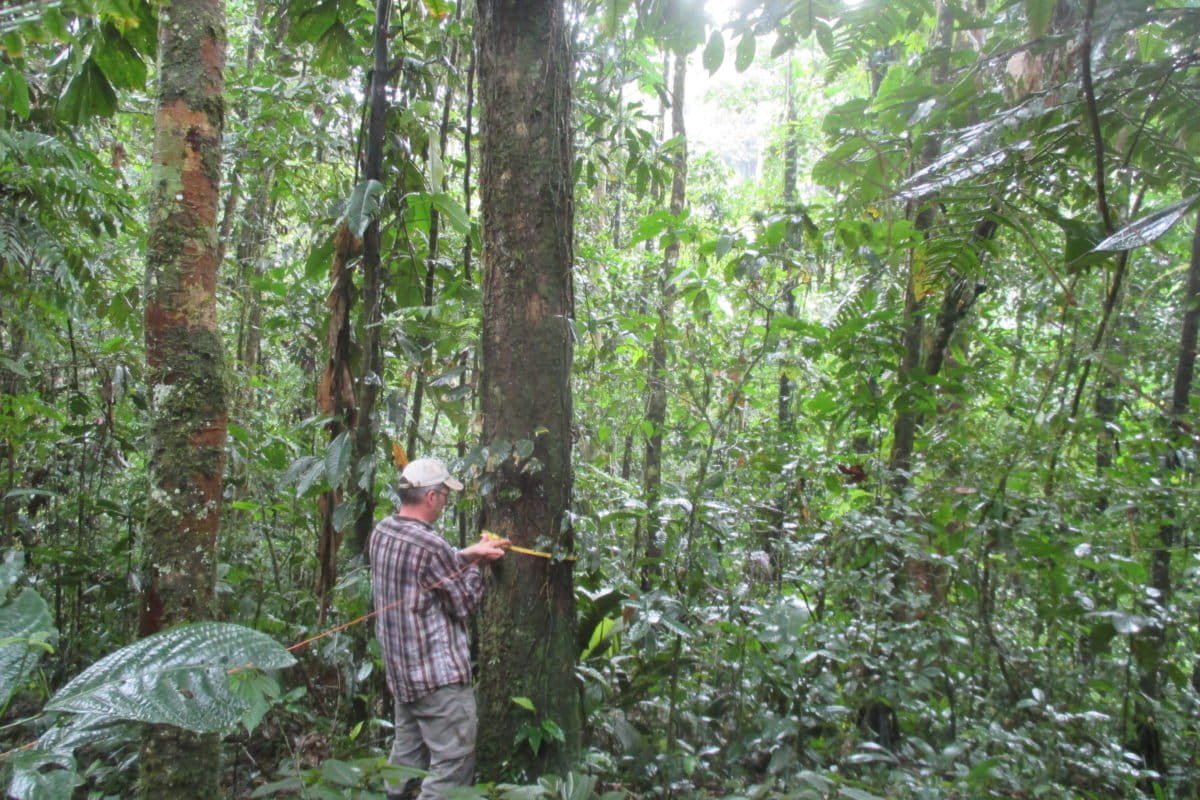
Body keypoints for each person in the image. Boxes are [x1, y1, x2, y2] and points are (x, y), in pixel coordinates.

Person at [369, 457, 508, 800]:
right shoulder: (432, 546)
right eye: (444, 494)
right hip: (437, 679)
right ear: (430, 497)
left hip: (402, 675)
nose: (446, 501)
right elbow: (465, 603)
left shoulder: (383, 530)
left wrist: (462, 556)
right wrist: (477, 564)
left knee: (405, 755)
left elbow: (422, 573)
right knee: (453, 763)